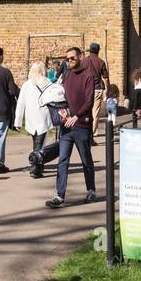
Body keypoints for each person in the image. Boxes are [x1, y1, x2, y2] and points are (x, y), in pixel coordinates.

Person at [45, 46, 99, 209]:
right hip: (66, 126)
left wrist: (76, 116)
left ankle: (91, 190)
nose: (69, 61)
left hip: (81, 125)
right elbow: (63, 97)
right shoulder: (67, 75)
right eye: (67, 59)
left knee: (86, 160)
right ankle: (59, 195)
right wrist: (58, 110)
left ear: (80, 57)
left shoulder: (88, 75)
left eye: (72, 58)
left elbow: (89, 100)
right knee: (62, 161)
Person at [14, 61, 53, 169]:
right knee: (39, 145)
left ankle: (36, 165)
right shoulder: (48, 83)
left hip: (31, 119)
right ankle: (36, 167)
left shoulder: (26, 85)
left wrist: (18, 121)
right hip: (43, 118)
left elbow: (20, 104)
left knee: (36, 143)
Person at [84, 42, 109, 146]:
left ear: (90, 50)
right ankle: (91, 136)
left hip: (85, 90)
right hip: (97, 89)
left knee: (85, 112)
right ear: (98, 51)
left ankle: (84, 135)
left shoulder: (83, 61)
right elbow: (106, 78)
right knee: (95, 113)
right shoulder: (101, 62)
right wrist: (108, 89)